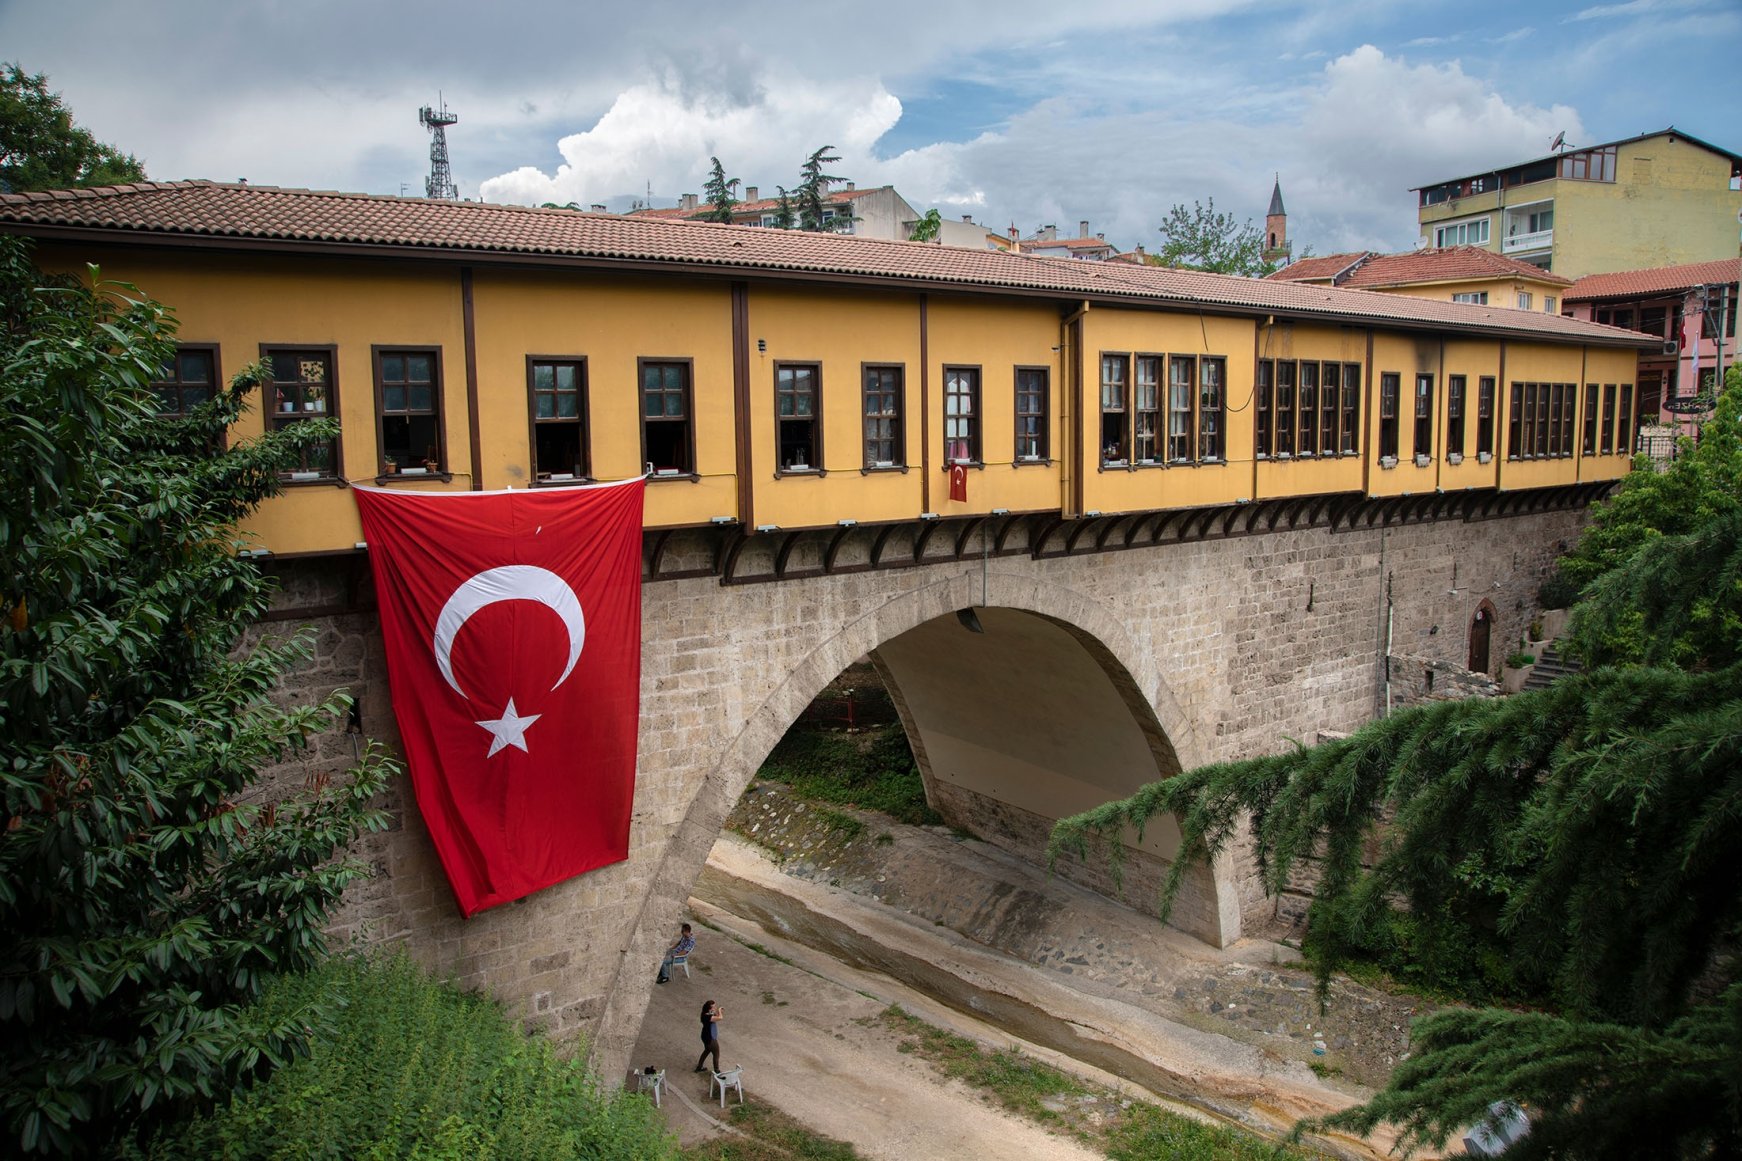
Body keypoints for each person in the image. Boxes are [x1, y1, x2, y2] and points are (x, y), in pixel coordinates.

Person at [694, 999, 722, 1073]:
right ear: (709, 1008)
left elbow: (714, 1015)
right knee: (716, 1054)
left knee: (707, 1050)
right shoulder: (708, 1017)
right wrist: (719, 1011)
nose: (714, 1008)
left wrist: (714, 1012)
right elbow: (720, 1018)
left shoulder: (705, 1014)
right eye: (713, 1007)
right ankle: (717, 1071)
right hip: (710, 1038)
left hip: (705, 1037)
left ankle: (699, 1066)